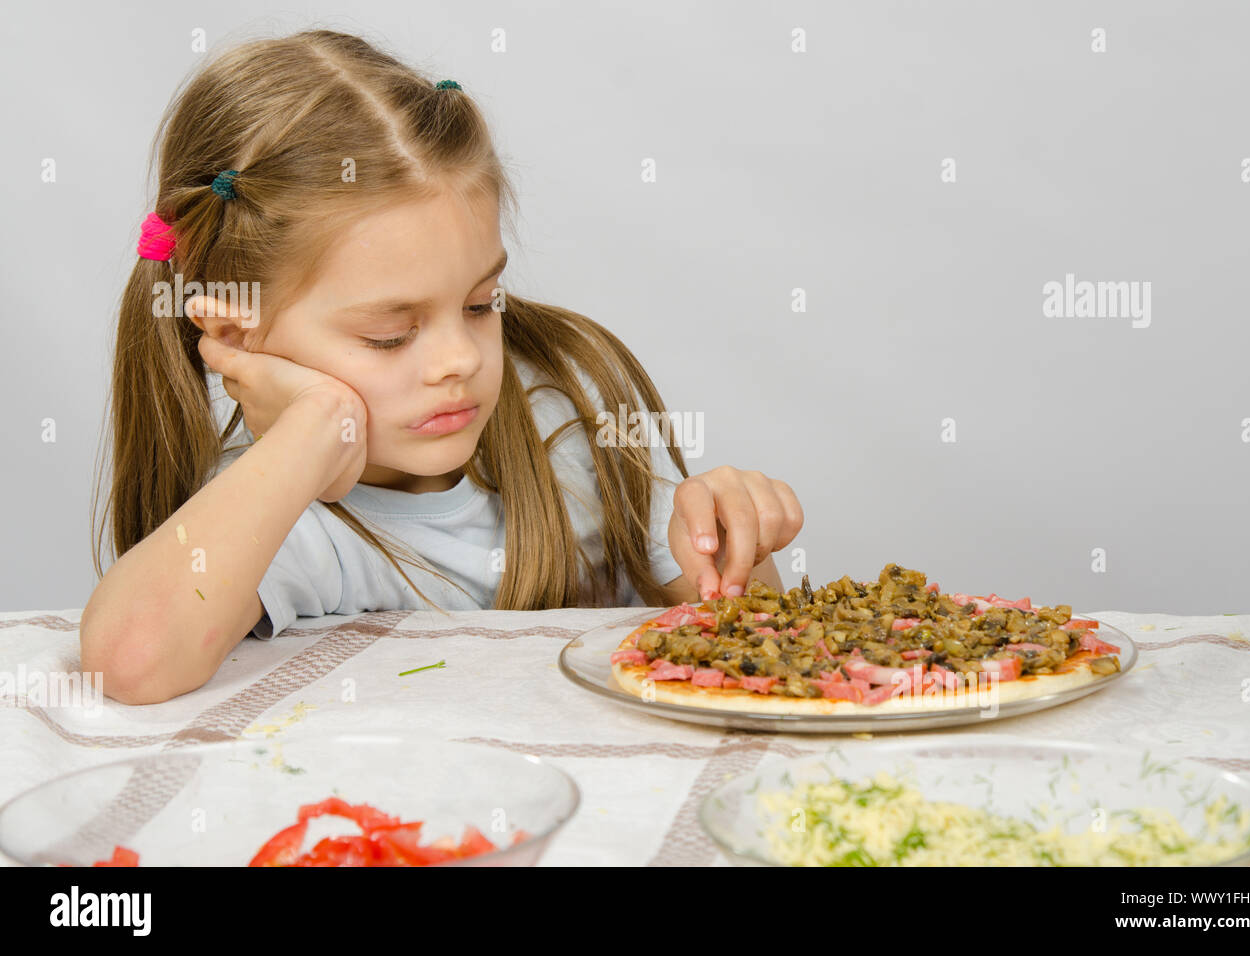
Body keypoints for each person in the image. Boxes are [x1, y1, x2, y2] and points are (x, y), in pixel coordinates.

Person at [83, 29, 803, 705]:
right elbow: (130, 661)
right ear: (237, 335)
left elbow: (765, 648)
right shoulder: (279, 516)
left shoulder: (565, 429)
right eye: (391, 336)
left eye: (482, 303)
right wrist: (312, 429)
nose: (460, 359)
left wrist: (735, 543)